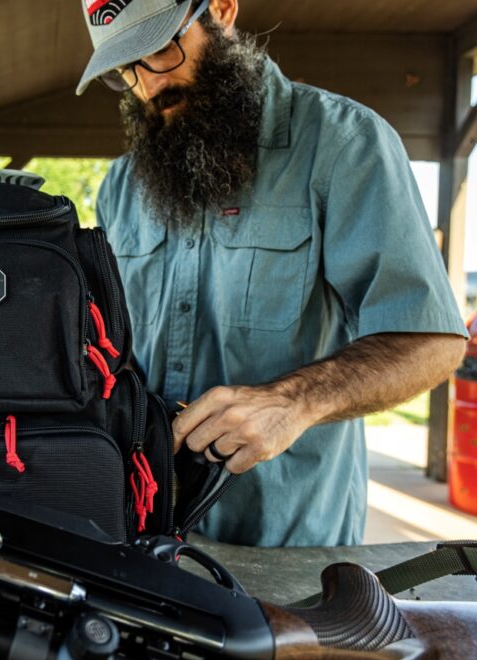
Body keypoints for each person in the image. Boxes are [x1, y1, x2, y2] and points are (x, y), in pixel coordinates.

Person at [77, 0, 468, 546]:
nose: (148, 86)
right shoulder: (122, 186)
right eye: (126, 69)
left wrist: (294, 400)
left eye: (161, 49)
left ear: (221, 9)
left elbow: (431, 341)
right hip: (147, 529)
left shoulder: (344, 143)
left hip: (290, 536)